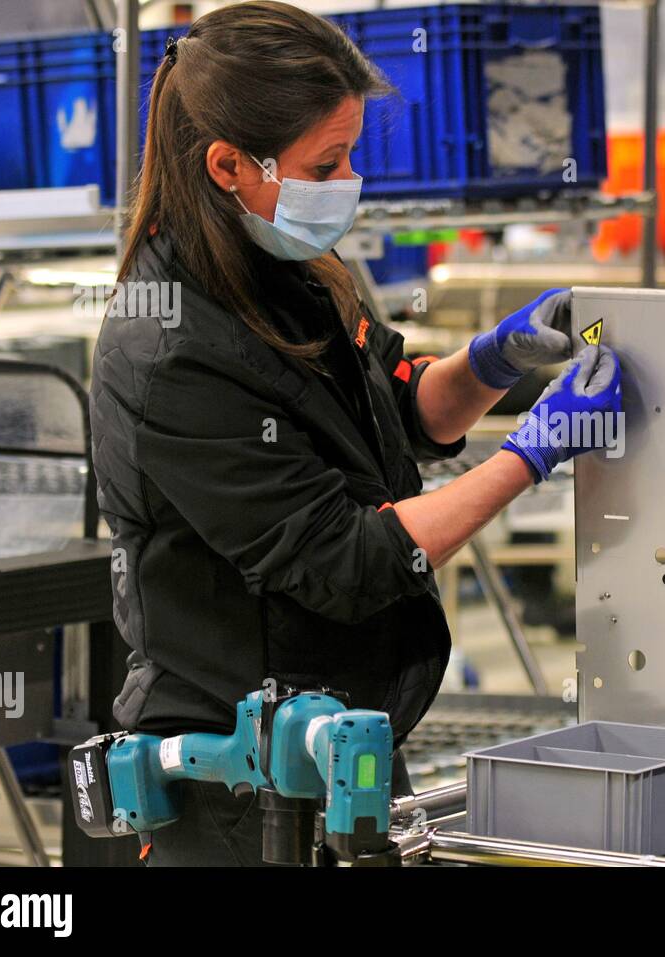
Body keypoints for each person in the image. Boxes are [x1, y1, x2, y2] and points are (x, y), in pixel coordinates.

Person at [89, 0, 621, 866]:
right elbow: (346, 561)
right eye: (326, 163)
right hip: (237, 783)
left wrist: (495, 361)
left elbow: (397, 407)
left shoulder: (290, 267)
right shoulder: (169, 356)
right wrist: (530, 457)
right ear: (228, 165)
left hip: (345, 741)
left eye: (351, 157)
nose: (345, 183)